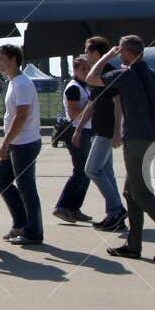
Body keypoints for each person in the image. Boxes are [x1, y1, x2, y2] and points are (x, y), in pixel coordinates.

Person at [75, 35, 155, 263]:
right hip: (152, 140)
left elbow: (91, 78)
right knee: (130, 192)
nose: (118, 55)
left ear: (127, 53)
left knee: (142, 194)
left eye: (120, 51)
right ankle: (133, 244)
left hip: (136, 140)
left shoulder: (126, 75)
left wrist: (106, 57)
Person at [0, 43, 43, 245]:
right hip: (17, 143)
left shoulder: (22, 84)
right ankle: (21, 223)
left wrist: (5, 143)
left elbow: (21, 116)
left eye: (1, 59)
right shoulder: (14, 82)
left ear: (13, 60)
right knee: (1, 180)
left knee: (26, 188)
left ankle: (34, 232)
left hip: (24, 144)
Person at [78, 36, 127, 234]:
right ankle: (114, 217)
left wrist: (117, 132)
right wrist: (79, 128)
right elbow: (92, 104)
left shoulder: (108, 73)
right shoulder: (96, 73)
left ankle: (117, 210)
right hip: (97, 130)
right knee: (107, 173)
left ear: (96, 53)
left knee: (91, 170)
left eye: (87, 51)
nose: (84, 54)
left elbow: (118, 103)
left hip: (106, 131)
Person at [52, 56, 96, 225]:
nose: (86, 71)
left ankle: (74, 208)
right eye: (83, 69)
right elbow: (73, 113)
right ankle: (62, 206)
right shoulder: (73, 88)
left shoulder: (84, 87)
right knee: (80, 171)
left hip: (86, 130)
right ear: (75, 70)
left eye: (88, 68)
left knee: (86, 172)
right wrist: (91, 106)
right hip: (76, 131)